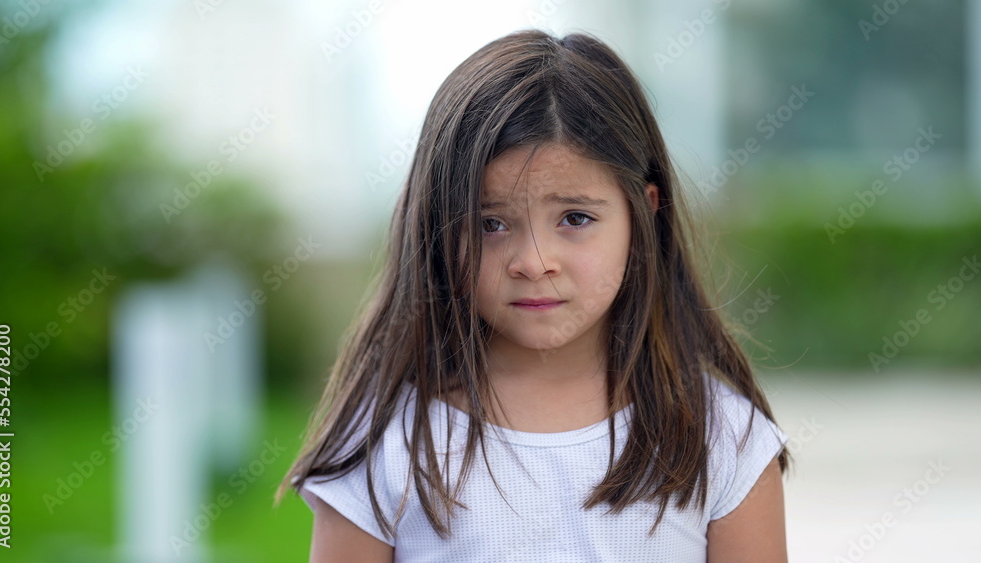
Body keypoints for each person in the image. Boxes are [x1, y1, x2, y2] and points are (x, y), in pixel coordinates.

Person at [276, 29, 791, 562]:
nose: (532, 261)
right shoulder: (385, 440)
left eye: (575, 218)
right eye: (491, 224)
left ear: (645, 212)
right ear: (438, 229)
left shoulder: (722, 436)